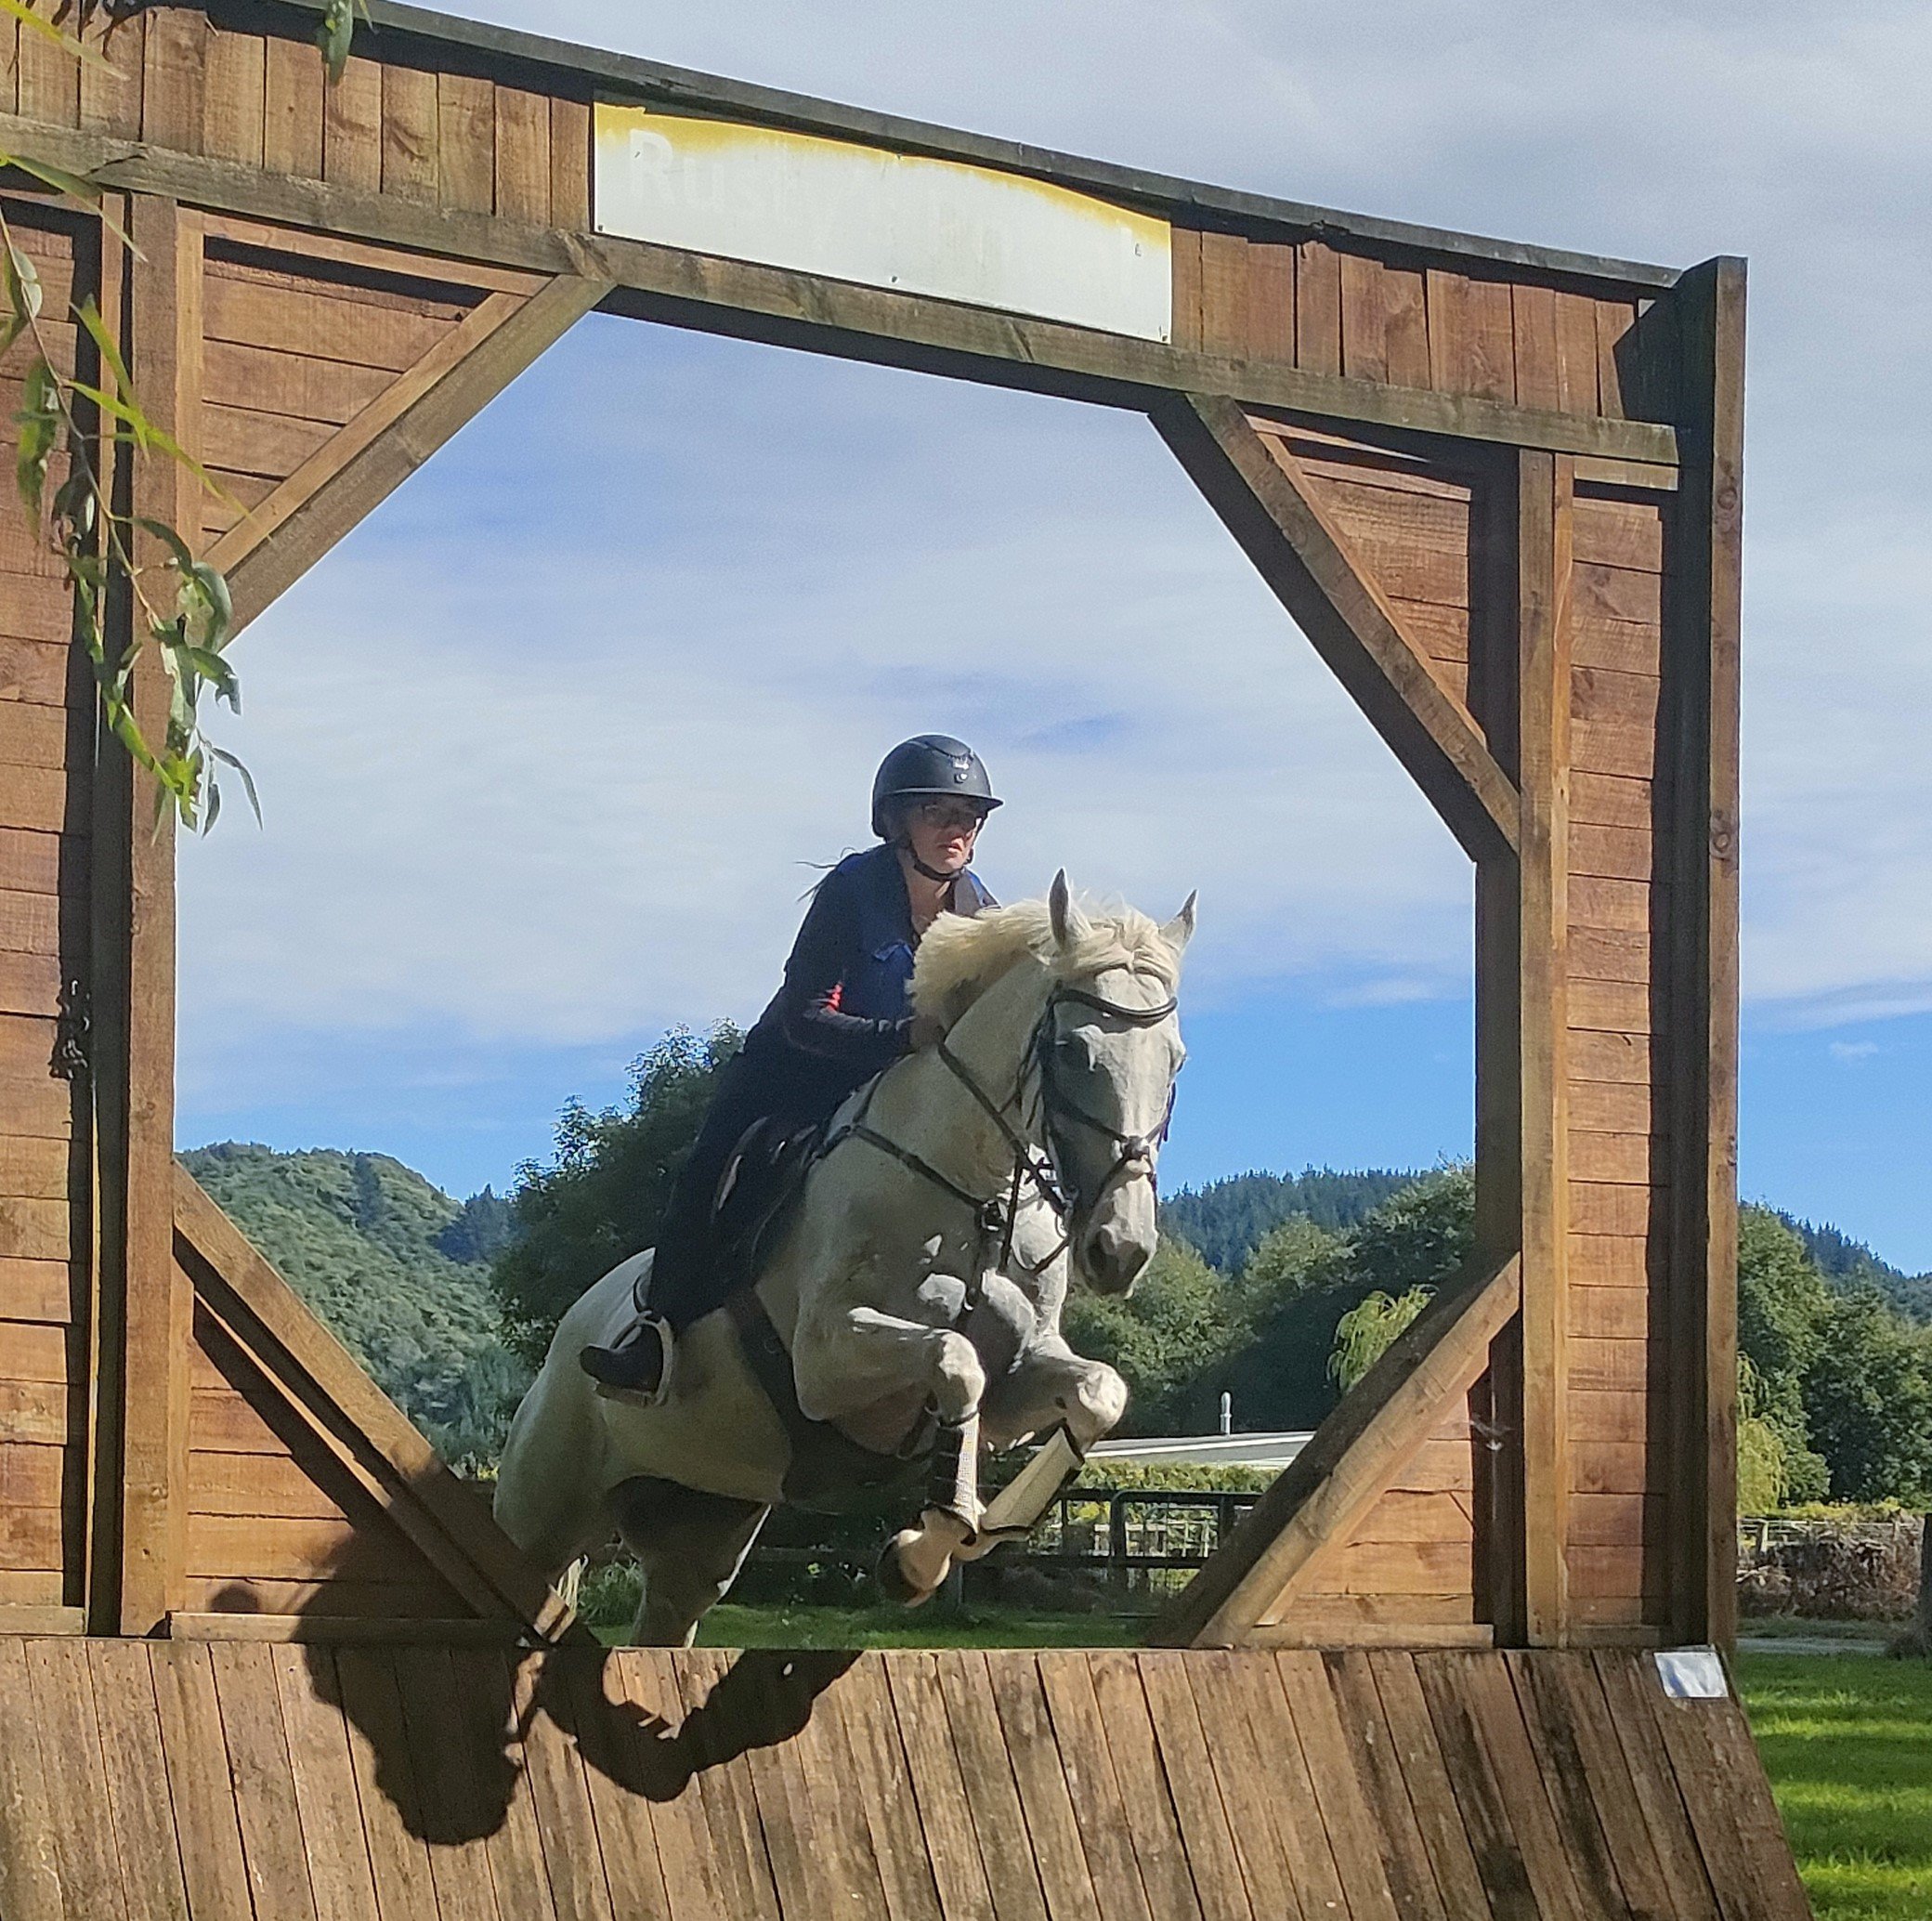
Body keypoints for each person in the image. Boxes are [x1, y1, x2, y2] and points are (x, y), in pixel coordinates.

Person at [580, 735, 1001, 1399]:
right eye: (937, 811)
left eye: (968, 815)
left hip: (895, 1089)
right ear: (896, 822)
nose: (956, 828)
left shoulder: (983, 916)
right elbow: (808, 1016)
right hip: (793, 1072)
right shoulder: (851, 892)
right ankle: (655, 1334)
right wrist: (901, 1035)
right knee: (710, 1172)